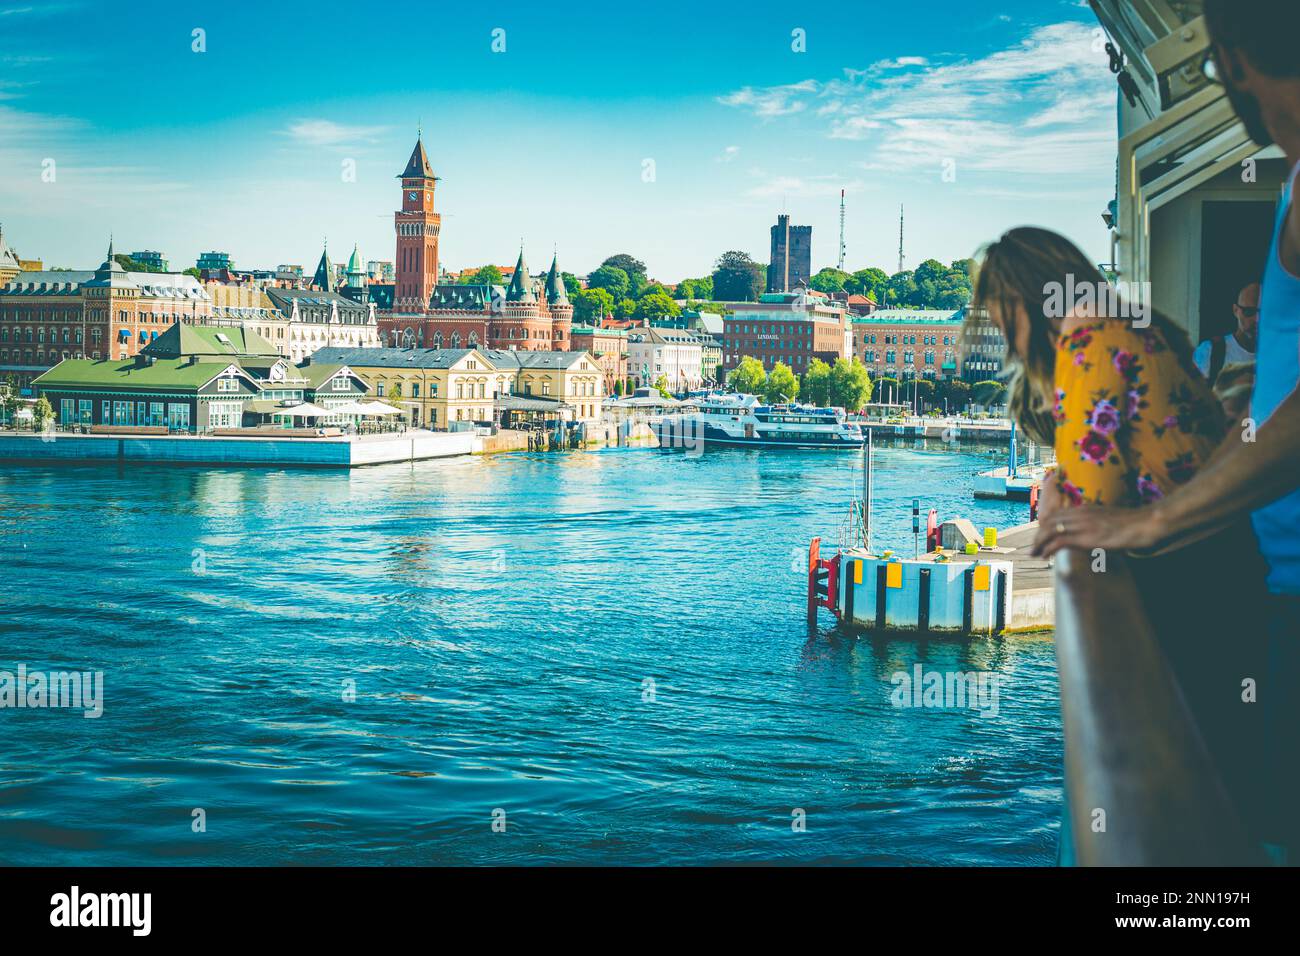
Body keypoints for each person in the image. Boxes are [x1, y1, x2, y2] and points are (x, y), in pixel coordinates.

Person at [1032, 0, 1300, 861]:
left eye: (1232, 69)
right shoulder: (1294, 179)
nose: (1234, 96)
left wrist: (1147, 523)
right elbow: (1270, 411)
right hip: (1272, 579)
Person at [970, 226, 1269, 855]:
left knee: (1205, 787)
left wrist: (1055, 490)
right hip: (1218, 562)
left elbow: (1091, 494)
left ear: (1026, 300)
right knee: (1223, 777)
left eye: (1002, 315)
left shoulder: (1090, 339)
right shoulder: (1124, 325)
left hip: (1194, 575)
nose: (1001, 333)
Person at [1193, 282, 1260, 386]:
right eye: (1249, 311)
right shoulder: (1211, 351)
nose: (1257, 319)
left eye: (1264, 312)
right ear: (1235, 310)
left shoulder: (1280, 355)